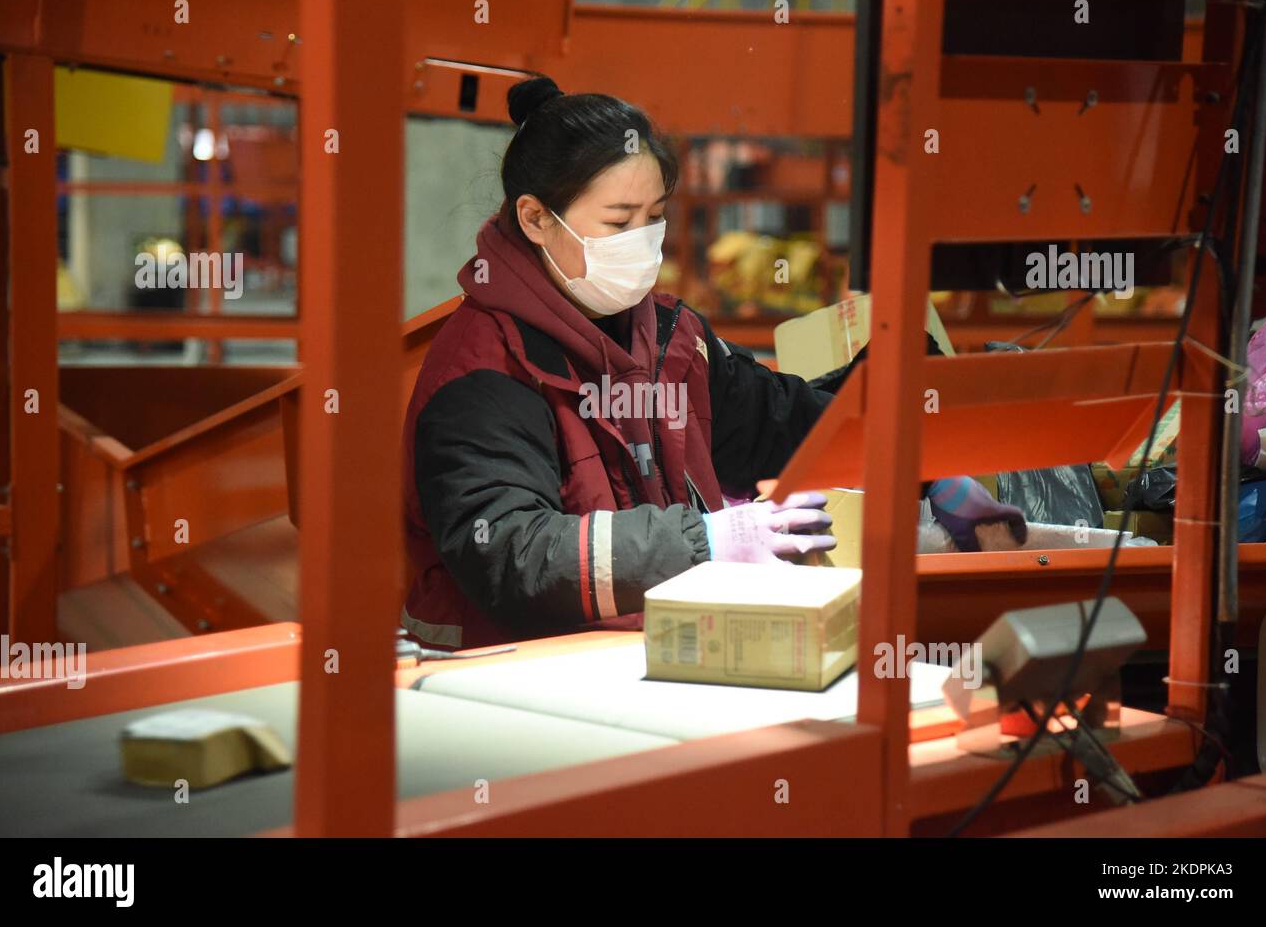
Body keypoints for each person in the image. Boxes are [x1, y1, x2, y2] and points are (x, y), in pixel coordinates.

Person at [401, 76, 1024, 650]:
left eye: (654, 218)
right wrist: (708, 544)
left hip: (646, 652)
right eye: (619, 222)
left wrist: (922, 459)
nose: (643, 243)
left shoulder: (671, 341)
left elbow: (784, 423)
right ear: (537, 219)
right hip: (503, 678)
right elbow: (512, 556)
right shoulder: (483, 369)